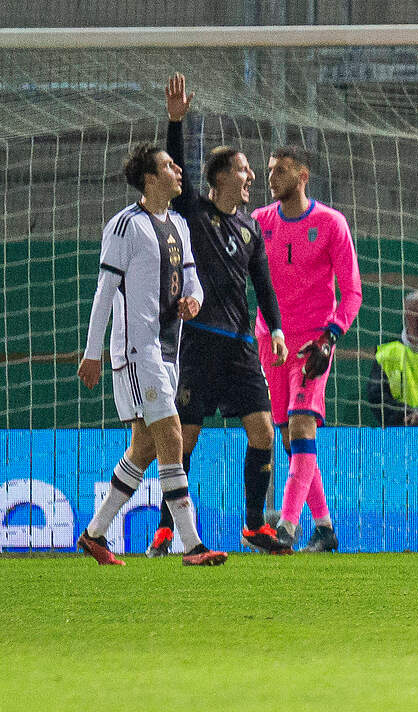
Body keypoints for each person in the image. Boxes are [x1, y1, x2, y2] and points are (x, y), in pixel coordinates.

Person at [145, 73, 292, 557]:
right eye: (245, 169)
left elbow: (264, 286)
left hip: (241, 346)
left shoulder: (250, 229)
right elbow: (179, 169)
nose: (251, 176)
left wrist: (275, 330)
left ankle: (254, 526)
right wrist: (175, 122)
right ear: (221, 177)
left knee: (263, 431)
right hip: (200, 341)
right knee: (185, 439)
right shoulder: (194, 212)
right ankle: (167, 529)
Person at [76, 141, 227, 566]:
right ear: (149, 178)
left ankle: (94, 534)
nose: (178, 169)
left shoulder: (178, 224)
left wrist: (193, 302)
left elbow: (192, 281)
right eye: (167, 165)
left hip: (168, 348)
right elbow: (104, 292)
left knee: (143, 446)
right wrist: (93, 353)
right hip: (137, 351)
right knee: (172, 436)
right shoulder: (125, 226)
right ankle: (192, 545)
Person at [253, 144, 362, 552]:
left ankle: (286, 528)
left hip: (314, 344)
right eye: (269, 170)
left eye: (280, 170)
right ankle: (326, 529)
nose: (271, 177)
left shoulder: (331, 223)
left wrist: (330, 337)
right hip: (272, 342)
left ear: (303, 176)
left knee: (301, 427)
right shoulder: (259, 222)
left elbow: (352, 291)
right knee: (289, 438)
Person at [365, 288, 418, 427]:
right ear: (410, 314)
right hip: (401, 434)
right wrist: (408, 418)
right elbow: (377, 398)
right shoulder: (387, 354)